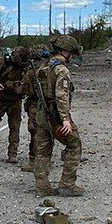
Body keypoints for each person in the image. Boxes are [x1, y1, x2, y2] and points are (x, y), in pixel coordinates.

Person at [32, 35, 84, 197]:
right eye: (72, 54)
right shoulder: (61, 69)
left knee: (42, 149)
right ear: (66, 52)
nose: (73, 57)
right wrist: (65, 120)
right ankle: (67, 184)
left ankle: (42, 186)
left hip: (41, 112)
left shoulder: (43, 66)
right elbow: (61, 96)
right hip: (55, 114)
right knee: (74, 144)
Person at [0, 46, 29, 164]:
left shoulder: (25, 66)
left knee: (15, 127)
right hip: (0, 98)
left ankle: (12, 154)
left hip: (15, 99)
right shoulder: (3, 62)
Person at [19, 44, 51, 173]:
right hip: (50, 104)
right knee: (48, 131)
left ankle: (33, 160)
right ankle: (48, 158)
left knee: (35, 132)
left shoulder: (32, 72)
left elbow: (23, 89)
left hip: (35, 105)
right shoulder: (53, 68)